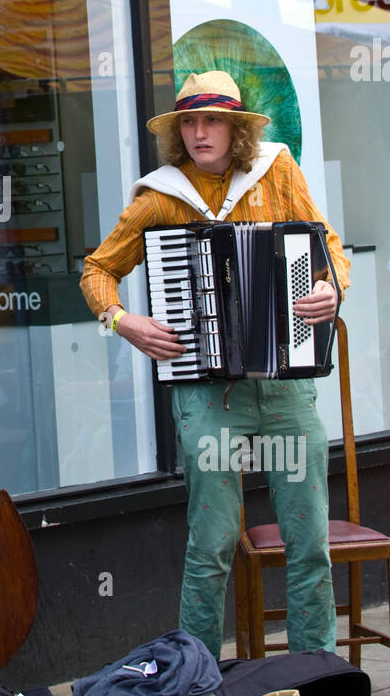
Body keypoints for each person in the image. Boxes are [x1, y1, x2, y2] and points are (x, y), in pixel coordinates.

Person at [81, 70, 348, 660]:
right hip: (207, 394)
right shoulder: (160, 196)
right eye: (190, 122)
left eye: (212, 120)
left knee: (309, 540)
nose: (200, 133)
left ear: (235, 129)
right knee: (213, 540)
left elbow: (325, 244)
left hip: (285, 386)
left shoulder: (275, 172)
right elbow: (96, 270)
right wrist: (123, 321)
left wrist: (332, 289)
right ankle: (195, 678)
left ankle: (317, 672)